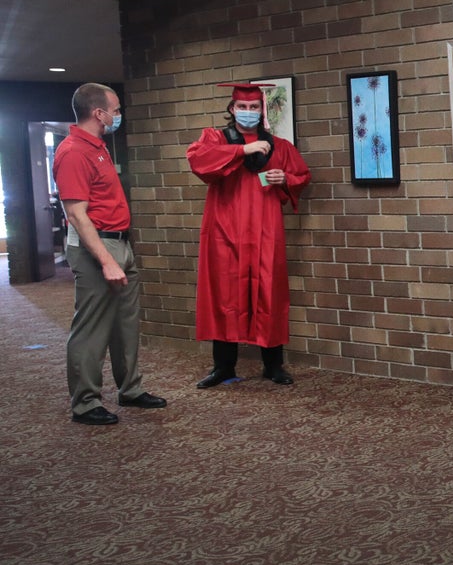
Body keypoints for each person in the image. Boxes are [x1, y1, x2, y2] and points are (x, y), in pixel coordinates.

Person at [53, 83, 167, 424]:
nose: (119, 115)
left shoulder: (98, 146)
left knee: (125, 326)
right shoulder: (73, 152)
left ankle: (130, 389)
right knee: (91, 329)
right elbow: (76, 215)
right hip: (97, 248)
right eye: (116, 110)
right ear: (98, 113)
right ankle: (85, 403)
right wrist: (106, 261)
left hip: (121, 244)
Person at [186, 82, 311, 388]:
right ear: (232, 109)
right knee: (224, 295)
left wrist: (285, 178)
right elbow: (199, 161)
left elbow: (302, 175)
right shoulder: (216, 139)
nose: (248, 112)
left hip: (265, 230)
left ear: (261, 110)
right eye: (242, 107)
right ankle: (223, 367)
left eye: (254, 107)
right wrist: (242, 149)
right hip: (225, 230)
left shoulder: (279, 146)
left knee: (269, 292)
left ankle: (273, 366)